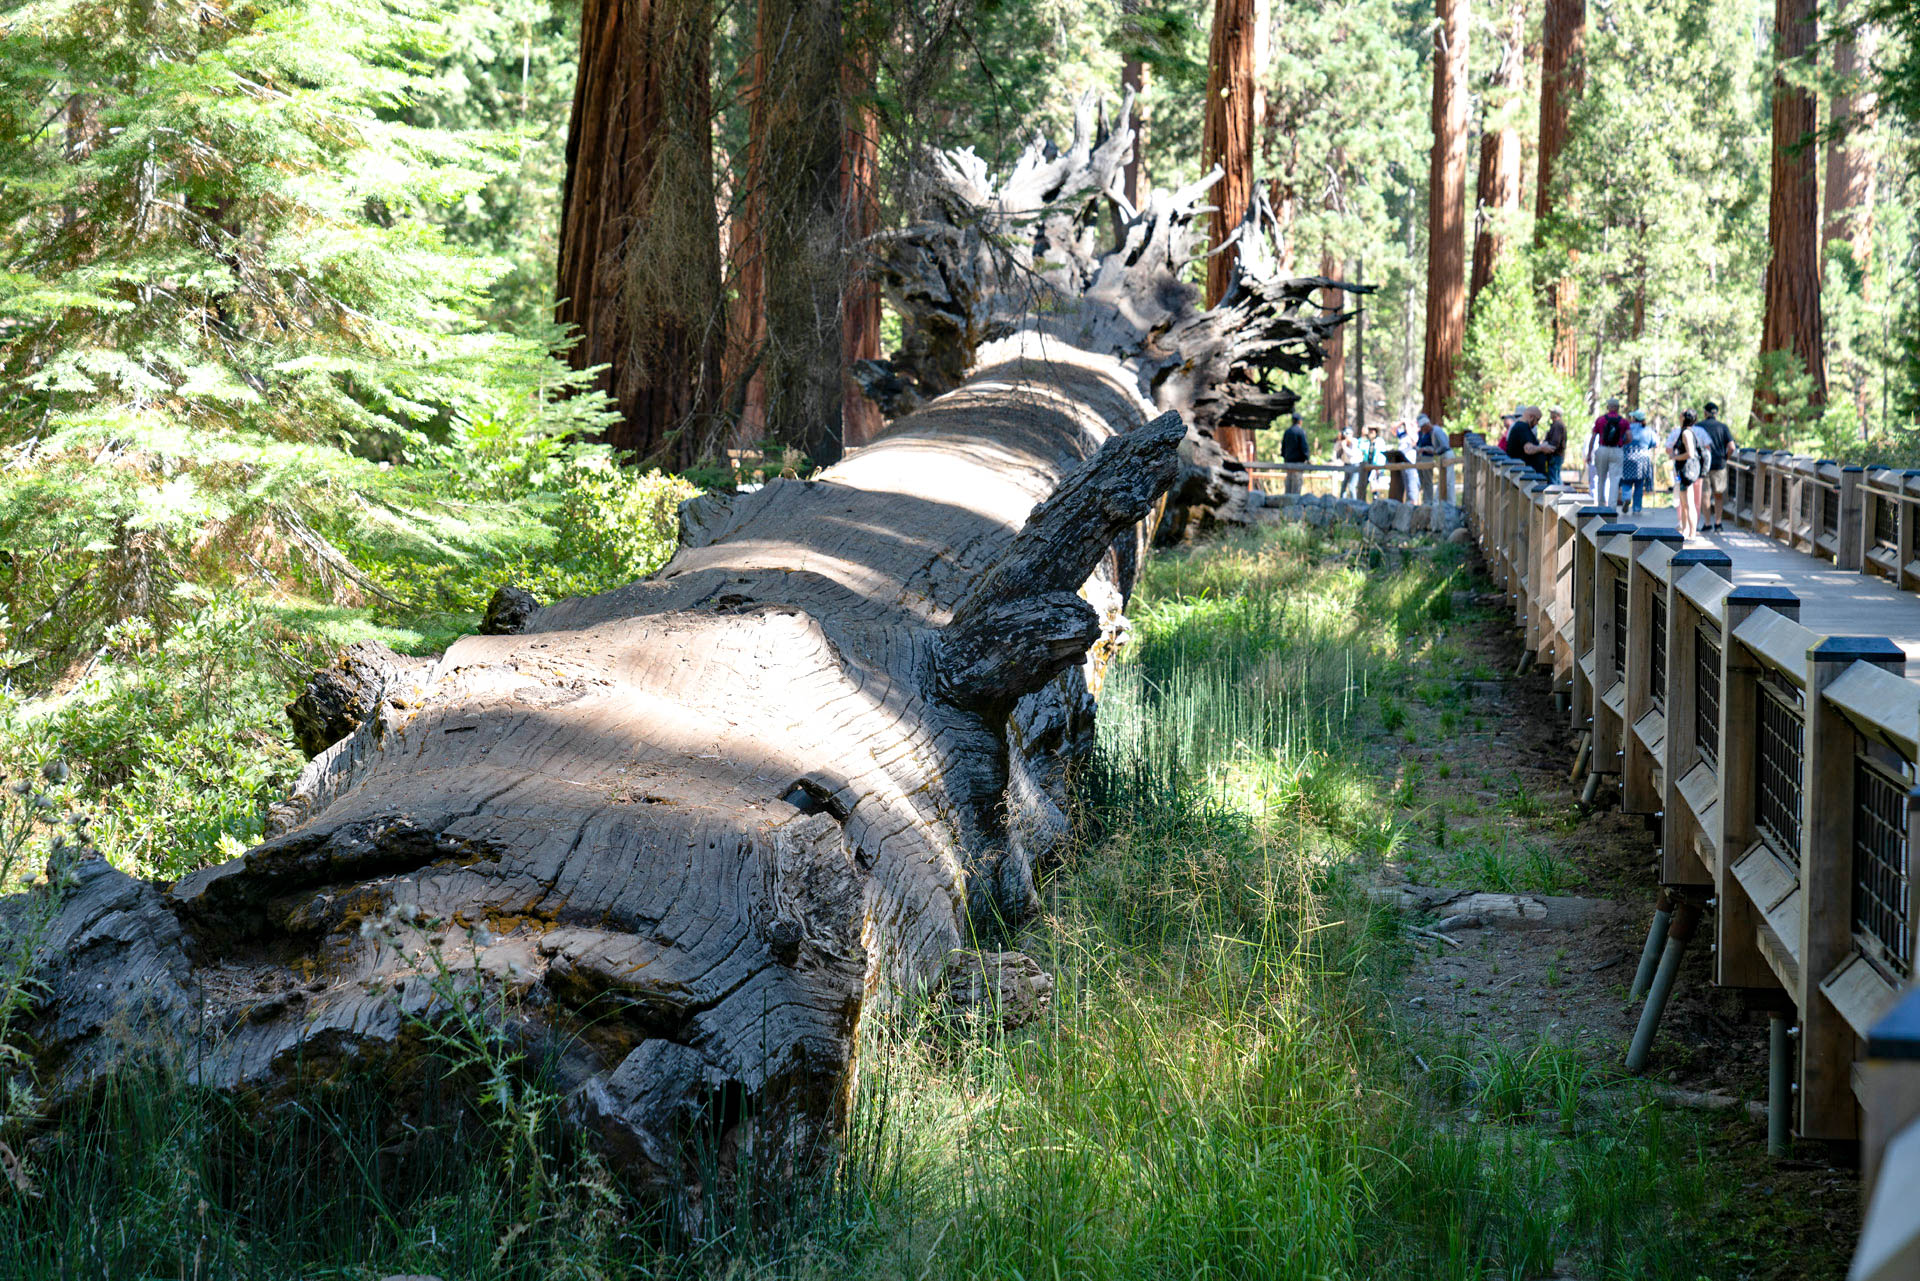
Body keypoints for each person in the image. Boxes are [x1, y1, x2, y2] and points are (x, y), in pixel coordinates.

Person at [1668, 409, 1708, 539]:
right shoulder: (1686, 432)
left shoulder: (1686, 433)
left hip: (1687, 472)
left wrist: (1675, 457)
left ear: (1685, 418)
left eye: (1681, 414)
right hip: (1684, 472)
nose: (1679, 415)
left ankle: (1692, 534)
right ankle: (1685, 531)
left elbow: (1690, 453)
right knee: (1684, 503)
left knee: (1689, 503)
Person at [1696, 400, 1735, 531]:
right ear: (1716, 413)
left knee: (1705, 494)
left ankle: (1707, 523)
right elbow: (1732, 447)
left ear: (1705, 413)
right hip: (1719, 464)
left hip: (1703, 465)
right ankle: (1718, 523)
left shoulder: (1699, 427)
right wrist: (1725, 458)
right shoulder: (1723, 427)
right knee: (1719, 494)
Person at [1590, 398, 1630, 507]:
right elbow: (1630, 437)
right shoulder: (1624, 421)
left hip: (1602, 449)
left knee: (1601, 478)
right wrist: (1622, 442)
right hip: (1617, 450)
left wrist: (1589, 453)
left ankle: (1601, 505)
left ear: (1608, 407)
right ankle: (1612, 507)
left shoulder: (1600, 420)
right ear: (1618, 408)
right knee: (1614, 479)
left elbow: (1593, 437)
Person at [1620, 411, 1657, 513]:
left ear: (1634, 418)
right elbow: (1655, 443)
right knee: (1639, 484)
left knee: (1626, 481)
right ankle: (1636, 508)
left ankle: (1626, 498)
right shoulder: (1648, 430)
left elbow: (1621, 440)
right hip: (1643, 459)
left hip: (1627, 457)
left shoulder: (1628, 429)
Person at [1414, 412, 1451, 502]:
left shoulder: (1435, 431)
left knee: (1434, 481)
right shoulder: (1422, 433)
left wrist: (1432, 451)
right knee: (1422, 481)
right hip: (1423, 457)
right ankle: (1426, 500)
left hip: (1434, 456)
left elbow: (1444, 445)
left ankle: (1430, 501)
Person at [1505, 406, 1542, 476]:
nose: (1537, 423)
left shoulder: (1521, 426)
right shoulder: (1522, 427)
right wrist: (1543, 448)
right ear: (1531, 417)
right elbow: (1528, 449)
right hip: (1524, 474)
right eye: (1537, 420)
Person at [1279, 412, 1311, 494]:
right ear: (1300, 421)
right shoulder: (1300, 432)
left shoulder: (1287, 432)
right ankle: (1294, 504)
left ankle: (1287, 502)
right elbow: (1304, 446)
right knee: (1296, 484)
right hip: (1298, 463)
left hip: (1288, 462)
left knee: (1289, 483)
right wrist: (1307, 458)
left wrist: (1284, 456)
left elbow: (1283, 447)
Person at [1541, 408, 1569, 485]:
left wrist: (1548, 448)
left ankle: (1555, 494)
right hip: (1556, 455)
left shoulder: (1558, 425)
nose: (1551, 414)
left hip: (1555, 455)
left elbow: (1555, 441)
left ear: (1557, 414)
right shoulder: (1556, 424)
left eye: (1552, 412)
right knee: (1556, 476)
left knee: (1553, 477)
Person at [1333, 426, 1363, 499]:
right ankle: (1341, 502)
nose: (1346, 436)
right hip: (1347, 465)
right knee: (1344, 485)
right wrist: (1340, 441)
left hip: (1355, 465)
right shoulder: (1343, 442)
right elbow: (1335, 448)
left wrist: (1344, 447)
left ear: (1351, 434)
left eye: (1347, 434)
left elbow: (1351, 454)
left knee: (1351, 486)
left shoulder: (1355, 441)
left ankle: (1354, 504)